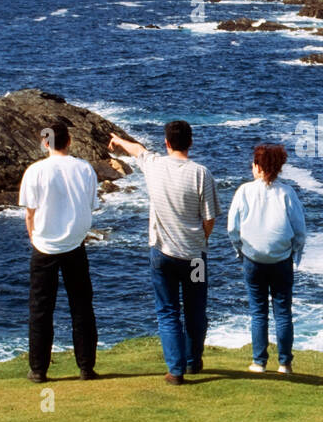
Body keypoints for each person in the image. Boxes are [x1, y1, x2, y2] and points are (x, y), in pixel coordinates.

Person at [108, 121, 220, 385]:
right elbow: (210, 218)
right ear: (190, 142)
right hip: (195, 256)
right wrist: (199, 239)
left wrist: (119, 141)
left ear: (167, 142)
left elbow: (137, 150)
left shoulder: (155, 165)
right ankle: (193, 361)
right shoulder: (201, 173)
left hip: (163, 254)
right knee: (196, 310)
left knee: (168, 311)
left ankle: (176, 369)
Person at [19, 120, 100, 383]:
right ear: (69, 141)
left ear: (46, 143)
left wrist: (34, 238)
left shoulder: (35, 171)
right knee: (82, 307)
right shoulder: (85, 168)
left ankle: (39, 370)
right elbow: (90, 205)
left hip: (44, 246)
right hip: (75, 244)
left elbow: (29, 213)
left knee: (41, 309)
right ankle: (86, 367)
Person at [227, 143, 307, 374]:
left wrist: (239, 250)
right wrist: (295, 253)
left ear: (258, 167)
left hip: (252, 259)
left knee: (258, 311)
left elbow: (233, 227)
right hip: (281, 260)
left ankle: (259, 362)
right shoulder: (287, 193)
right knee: (282, 312)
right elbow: (299, 230)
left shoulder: (244, 191)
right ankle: (285, 363)